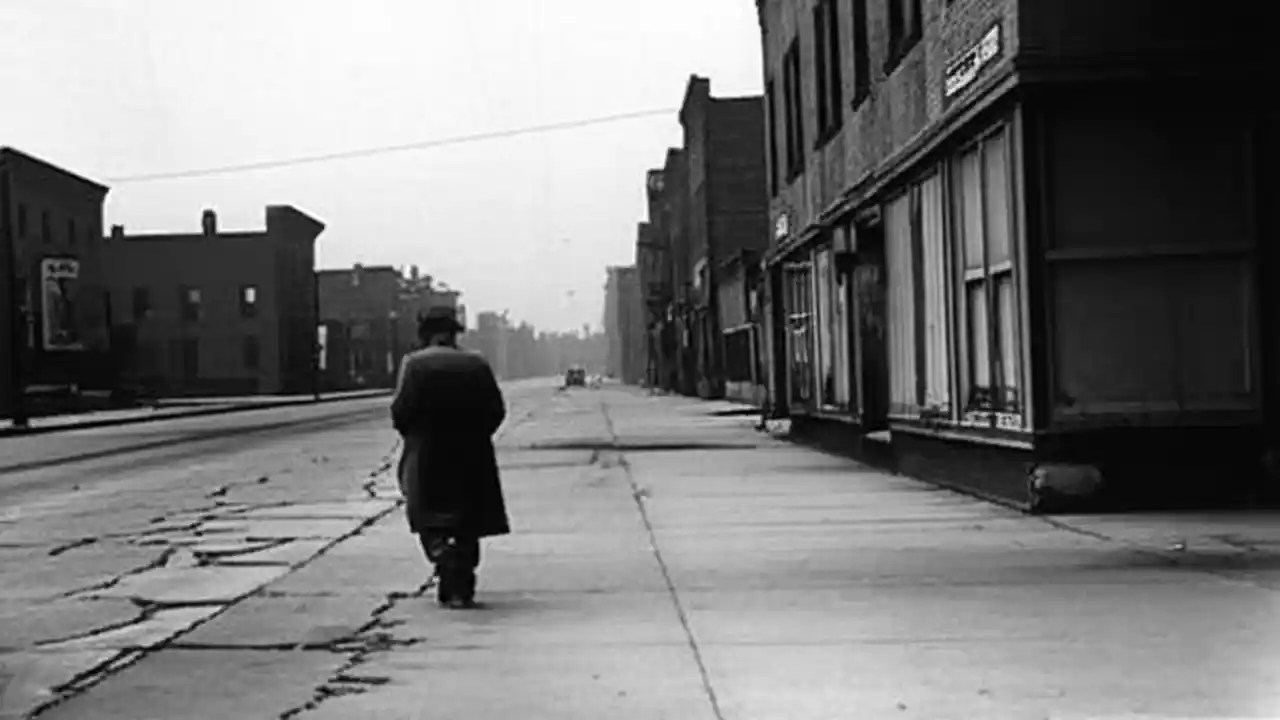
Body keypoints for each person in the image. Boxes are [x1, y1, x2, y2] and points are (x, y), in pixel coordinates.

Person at [391, 306, 509, 609]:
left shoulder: (414, 364)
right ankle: (463, 576)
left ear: (425, 334)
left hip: (428, 453)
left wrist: (417, 437)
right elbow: (496, 410)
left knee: (429, 515)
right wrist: (477, 435)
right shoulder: (476, 363)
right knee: (468, 518)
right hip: (472, 453)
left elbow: (401, 412)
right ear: (454, 334)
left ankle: (442, 553)